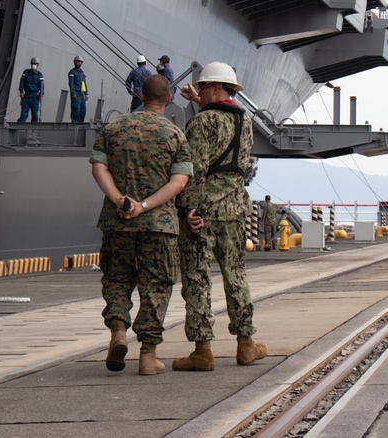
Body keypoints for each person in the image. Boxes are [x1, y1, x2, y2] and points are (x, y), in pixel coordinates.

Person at [90, 74, 193, 375]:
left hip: (117, 221)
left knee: (118, 279)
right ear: (169, 99)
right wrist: (144, 206)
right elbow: (179, 181)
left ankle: (118, 332)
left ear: (140, 95)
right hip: (158, 226)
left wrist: (121, 200)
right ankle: (148, 355)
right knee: (156, 287)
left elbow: (98, 167)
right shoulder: (175, 134)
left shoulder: (114, 128)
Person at [173, 62, 267, 371]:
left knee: (197, 278)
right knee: (235, 275)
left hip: (203, 212)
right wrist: (197, 102)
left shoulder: (201, 124)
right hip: (235, 210)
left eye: (201, 88)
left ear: (214, 88)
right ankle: (246, 344)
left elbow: (194, 168)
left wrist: (188, 209)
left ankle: (203, 350)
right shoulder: (246, 123)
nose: (198, 92)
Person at [17, 57, 44, 122]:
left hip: (35, 97)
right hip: (26, 96)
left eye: (35, 64)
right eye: (32, 63)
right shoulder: (26, 72)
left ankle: (32, 130)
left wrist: (41, 95)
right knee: (23, 115)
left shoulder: (40, 75)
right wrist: (21, 91)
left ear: (37, 65)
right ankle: (18, 127)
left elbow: (42, 87)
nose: (33, 65)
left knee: (35, 116)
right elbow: (22, 82)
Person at [68, 55, 88, 123]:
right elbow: (71, 83)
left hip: (82, 94)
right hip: (76, 94)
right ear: (74, 62)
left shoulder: (82, 72)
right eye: (77, 62)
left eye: (79, 62)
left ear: (81, 63)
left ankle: (81, 124)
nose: (78, 63)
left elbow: (84, 83)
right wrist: (73, 93)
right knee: (76, 109)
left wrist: (86, 93)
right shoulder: (72, 72)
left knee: (83, 111)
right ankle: (74, 124)